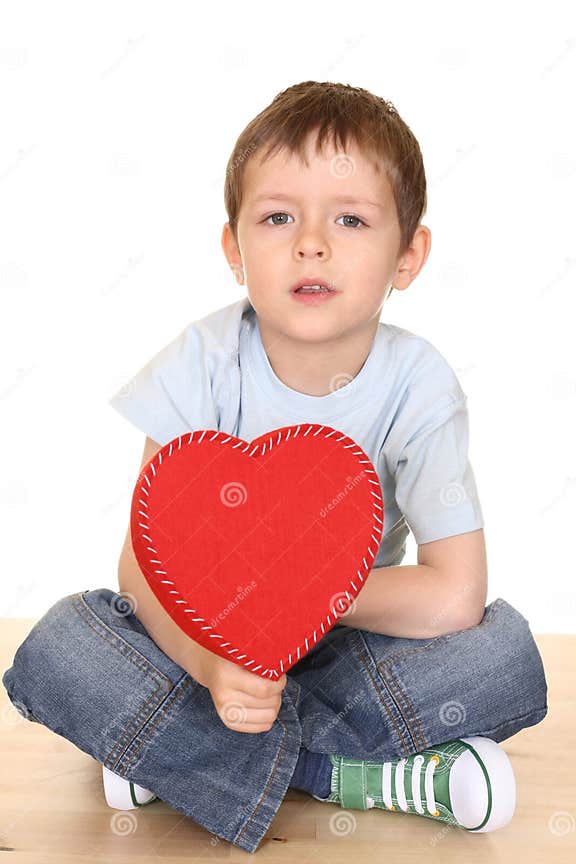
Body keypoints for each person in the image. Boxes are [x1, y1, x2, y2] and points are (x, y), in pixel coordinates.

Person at [2, 81, 548, 854]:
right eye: (278, 217)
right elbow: (144, 565)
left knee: (504, 656)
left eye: (351, 219)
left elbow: (455, 595)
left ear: (408, 255)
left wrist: (302, 596)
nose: (311, 243)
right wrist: (207, 663)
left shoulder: (420, 386)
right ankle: (358, 772)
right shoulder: (201, 364)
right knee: (62, 644)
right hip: (205, 647)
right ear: (233, 248)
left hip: (345, 641)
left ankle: (187, 761)